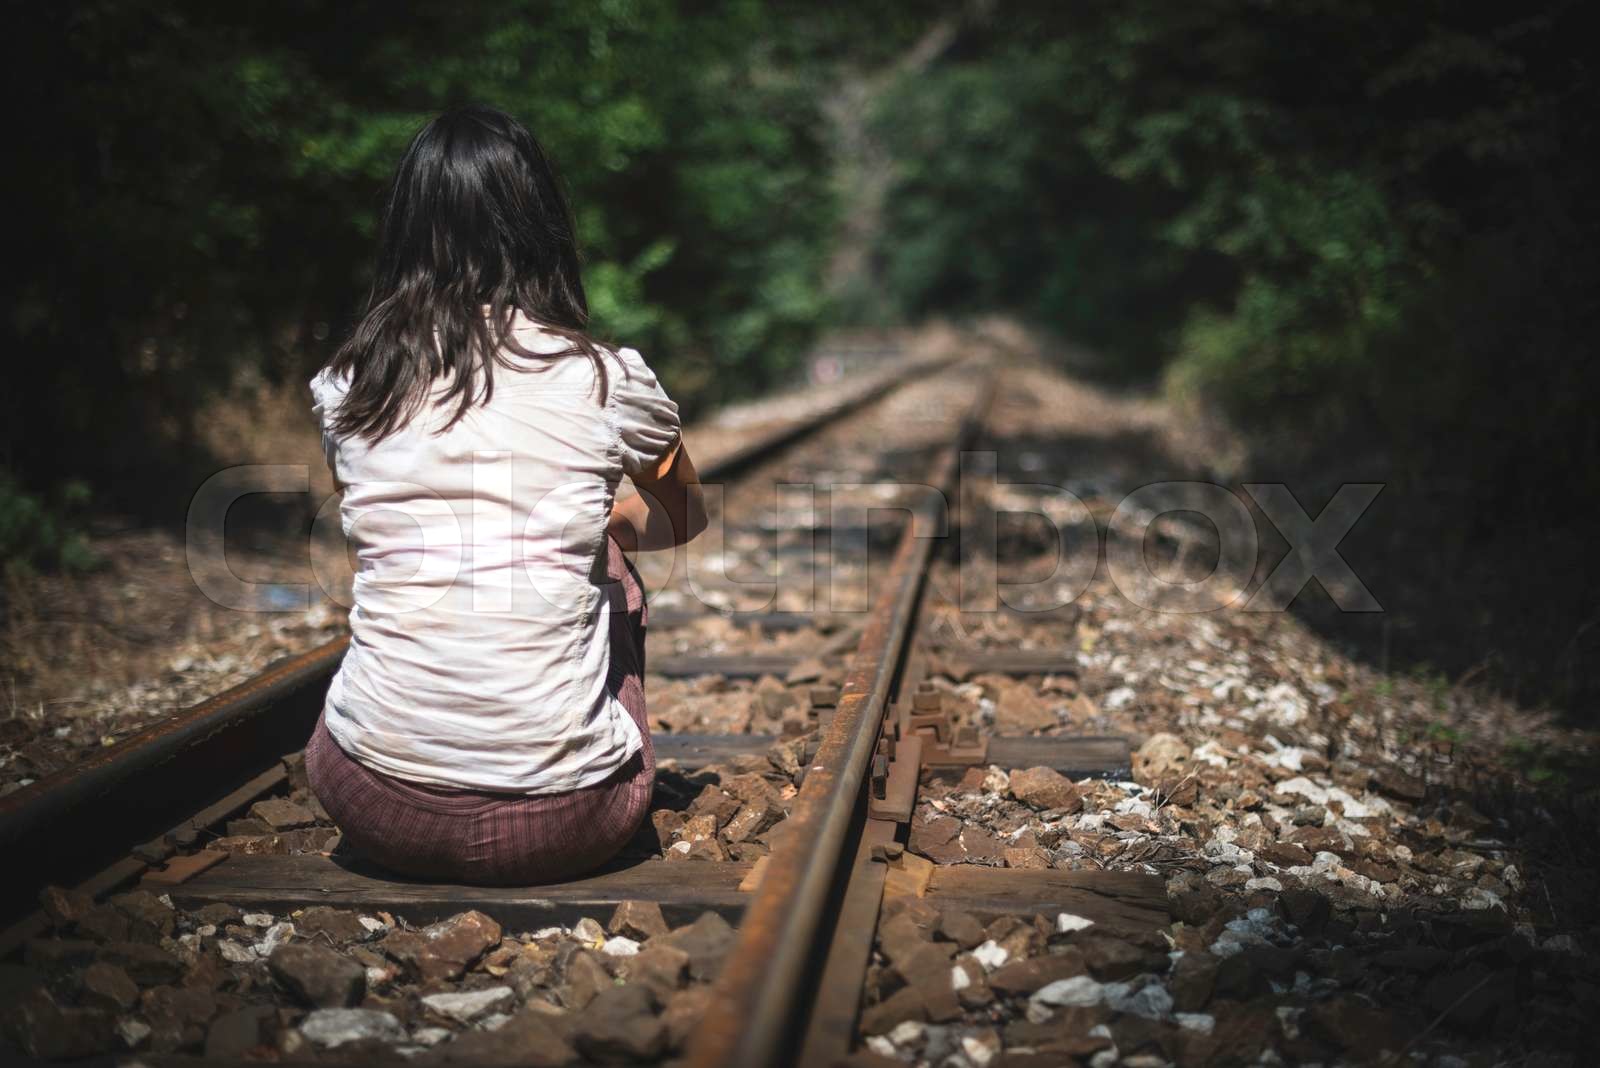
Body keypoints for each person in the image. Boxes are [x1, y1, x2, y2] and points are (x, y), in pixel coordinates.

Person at [303, 104, 706, 885]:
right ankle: (552, 747)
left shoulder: (350, 387)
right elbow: (683, 515)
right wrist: (604, 530)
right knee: (606, 563)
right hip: (563, 824)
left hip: (368, 803)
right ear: (539, 225)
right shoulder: (604, 378)